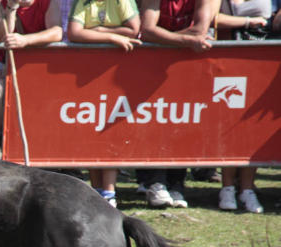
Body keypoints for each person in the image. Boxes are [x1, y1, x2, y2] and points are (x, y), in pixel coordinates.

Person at [138, 0, 219, 208]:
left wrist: (166, 39)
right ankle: (156, 183)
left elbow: (201, 28)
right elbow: (147, 30)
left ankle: (176, 185)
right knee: (154, 123)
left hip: (186, 69)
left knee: (183, 124)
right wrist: (185, 41)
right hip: (151, 69)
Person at [67, 0, 140, 207]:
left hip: (117, 74)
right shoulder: (83, 2)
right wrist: (111, 35)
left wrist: (96, 30)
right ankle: (97, 191)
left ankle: (109, 192)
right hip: (88, 75)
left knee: (109, 131)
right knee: (92, 131)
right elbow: (74, 32)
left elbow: (134, 30)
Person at [212, 0, 271, 214]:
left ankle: (247, 189)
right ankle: (227, 187)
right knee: (231, 126)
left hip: (262, 60)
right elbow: (212, 18)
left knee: (253, 128)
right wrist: (248, 21)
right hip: (228, 59)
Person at [0, 0, 61, 156]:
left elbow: (56, 32)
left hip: (40, 66)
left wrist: (26, 40)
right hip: (7, 63)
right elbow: (2, 36)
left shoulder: (47, 2)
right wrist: (12, 9)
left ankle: (54, 145)